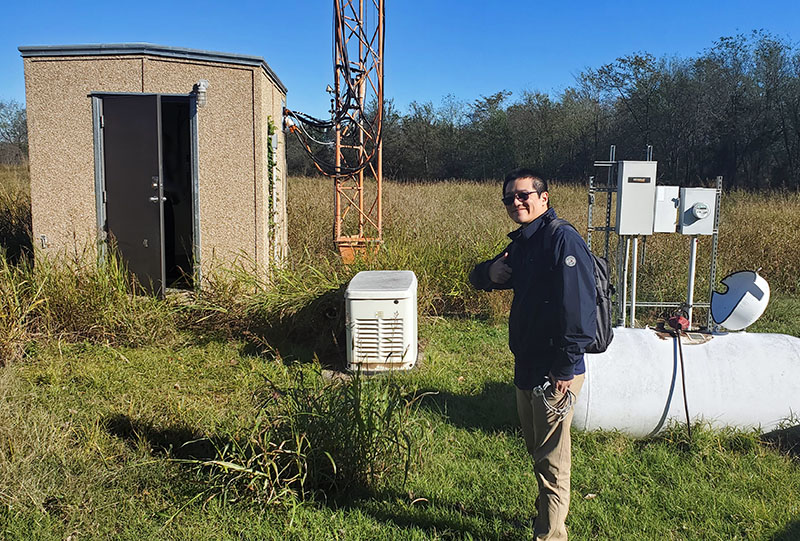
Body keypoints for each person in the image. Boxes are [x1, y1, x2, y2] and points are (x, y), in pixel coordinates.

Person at [469, 168, 595, 540]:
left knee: (553, 461)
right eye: (509, 197)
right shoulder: (524, 242)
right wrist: (489, 272)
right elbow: (479, 277)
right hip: (526, 363)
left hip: (555, 368)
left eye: (524, 195)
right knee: (537, 452)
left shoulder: (562, 240)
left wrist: (565, 367)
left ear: (544, 198)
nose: (516, 202)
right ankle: (547, 519)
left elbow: (579, 311)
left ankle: (550, 536)